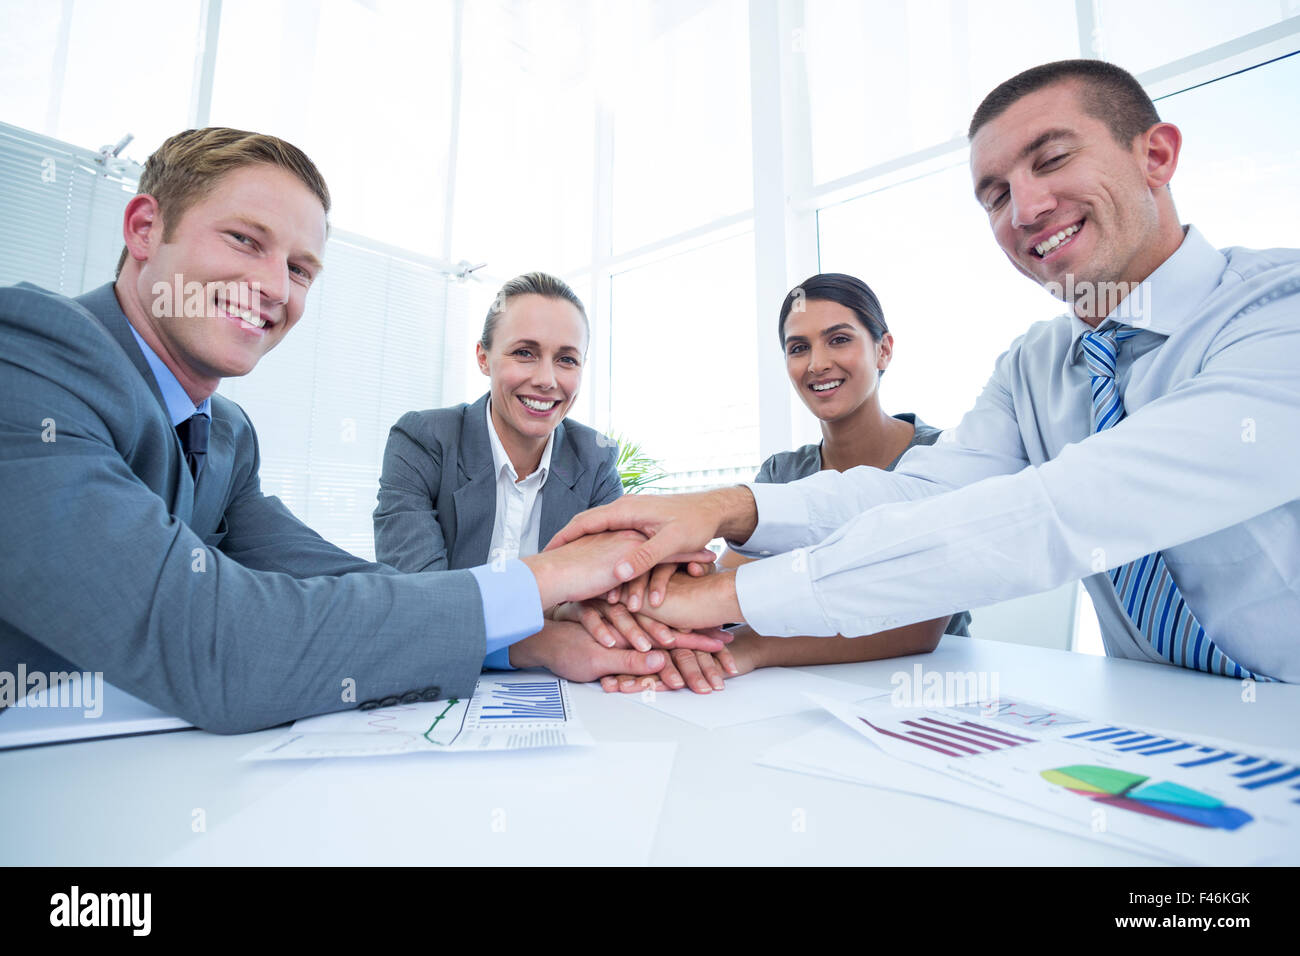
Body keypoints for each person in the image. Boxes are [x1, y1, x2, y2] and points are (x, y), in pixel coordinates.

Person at [550, 58, 1300, 684]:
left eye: (1053, 159)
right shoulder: (1033, 363)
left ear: (1156, 156)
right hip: (1155, 723)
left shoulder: (1278, 311)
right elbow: (921, 492)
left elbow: (1058, 513)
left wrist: (730, 597)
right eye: (995, 194)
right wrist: (721, 508)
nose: (1027, 209)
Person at [0, 128, 711, 734]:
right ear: (144, 230)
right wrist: (543, 580)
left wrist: (530, 646)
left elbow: (340, 581)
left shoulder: (228, 435)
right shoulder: (31, 352)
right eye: (246, 241)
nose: (275, 287)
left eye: (300, 268)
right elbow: (211, 639)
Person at [601, 273, 968, 694]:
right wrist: (643, 607)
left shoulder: (943, 458)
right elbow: (723, 585)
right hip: (804, 688)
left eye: (839, 339)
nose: (817, 363)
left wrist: (752, 649)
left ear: (883, 350)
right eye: (799, 348)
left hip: (930, 687)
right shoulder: (782, 473)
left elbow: (917, 623)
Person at [374, 272, 727, 668]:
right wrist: (543, 639)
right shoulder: (424, 440)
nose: (546, 380)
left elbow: (614, 597)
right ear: (483, 357)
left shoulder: (595, 461)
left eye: (566, 360)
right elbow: (420, 606)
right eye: (524, 353)